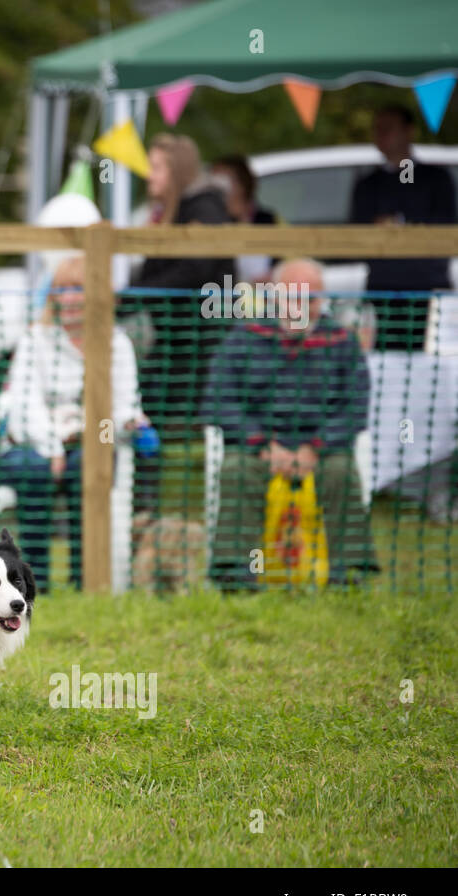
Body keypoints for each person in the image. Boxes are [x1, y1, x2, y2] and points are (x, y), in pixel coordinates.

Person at [203, 259, 375, 590]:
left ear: (323, 300)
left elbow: (355, 407)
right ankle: (236, 572)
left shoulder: (343, 342)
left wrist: (316, 448)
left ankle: (349, 572)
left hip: (322, 449)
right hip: (259, 447)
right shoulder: (242, 339)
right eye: (292, 297)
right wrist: (263, 445)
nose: (300, 307)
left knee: (342, 470)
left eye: (310, 298)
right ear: (274, 298)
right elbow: (219, 401)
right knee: (237, 470)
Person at [0, 255, 149, 591]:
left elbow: (124, 404)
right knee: (34, 470)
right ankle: (35, 580)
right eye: (62, 289)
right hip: (30, 445)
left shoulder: (116, 344)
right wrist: (51, 447)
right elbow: (23, 405)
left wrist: (119, 424)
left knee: (87, 466)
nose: (70, 297)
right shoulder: (35, 339)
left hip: (92, 441)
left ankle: (86, 578)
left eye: (79, 289)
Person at [126, 133, 235, 434]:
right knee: (148, 410)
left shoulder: (204, 209)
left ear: (177, 171)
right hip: (175, 340)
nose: (149, 175)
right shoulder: (169, 213)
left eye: (157, 167)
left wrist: (132, 297)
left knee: (175, 420)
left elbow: (194, 269)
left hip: (201, 342)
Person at [350, 104, 457, 352]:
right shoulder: (369, 184)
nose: (381, 135)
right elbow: (357, 234)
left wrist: (401, 227)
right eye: (378, 129)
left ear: (409, 132)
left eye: (388, 129)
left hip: (426, 288)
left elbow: (444, 230)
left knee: (431, 358)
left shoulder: (433, 179)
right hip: (382, 289)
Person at [211, 154, 280, 283]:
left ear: (242, 184)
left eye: (222, 181)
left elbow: (285, 260)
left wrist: (275, 275)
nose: (216, 187)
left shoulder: (269, 219)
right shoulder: (213, 221)